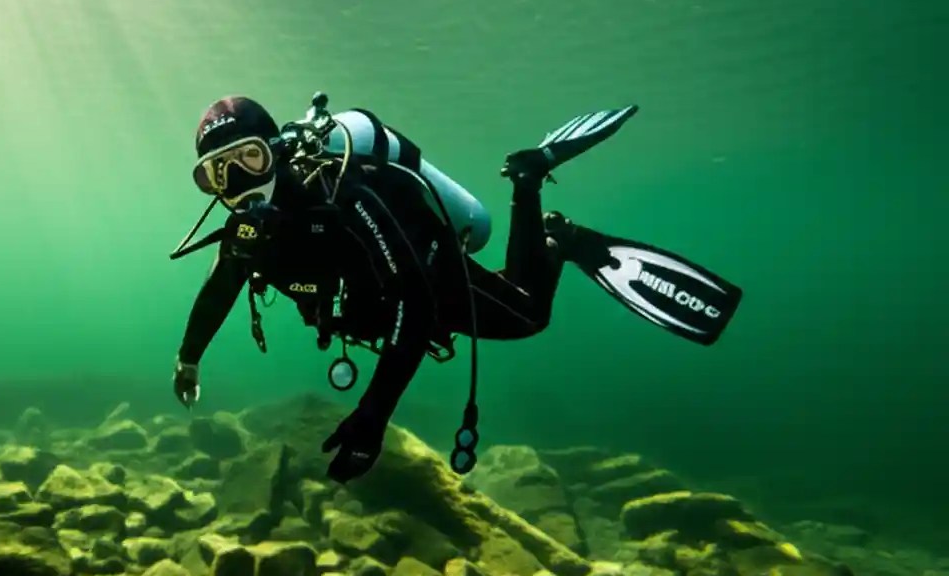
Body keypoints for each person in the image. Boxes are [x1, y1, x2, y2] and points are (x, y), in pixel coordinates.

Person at [169, 93, 742, 483]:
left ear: (276, 151)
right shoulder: (245, 234)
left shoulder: (343, 196)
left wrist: (374, 415)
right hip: (377, 302)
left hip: (427, 272)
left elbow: (415, 302)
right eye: (218, 173)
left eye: (249, 157)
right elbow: (222, 284)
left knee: (527, 317)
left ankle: (538, 199)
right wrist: (188, 359)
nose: (239, 182)